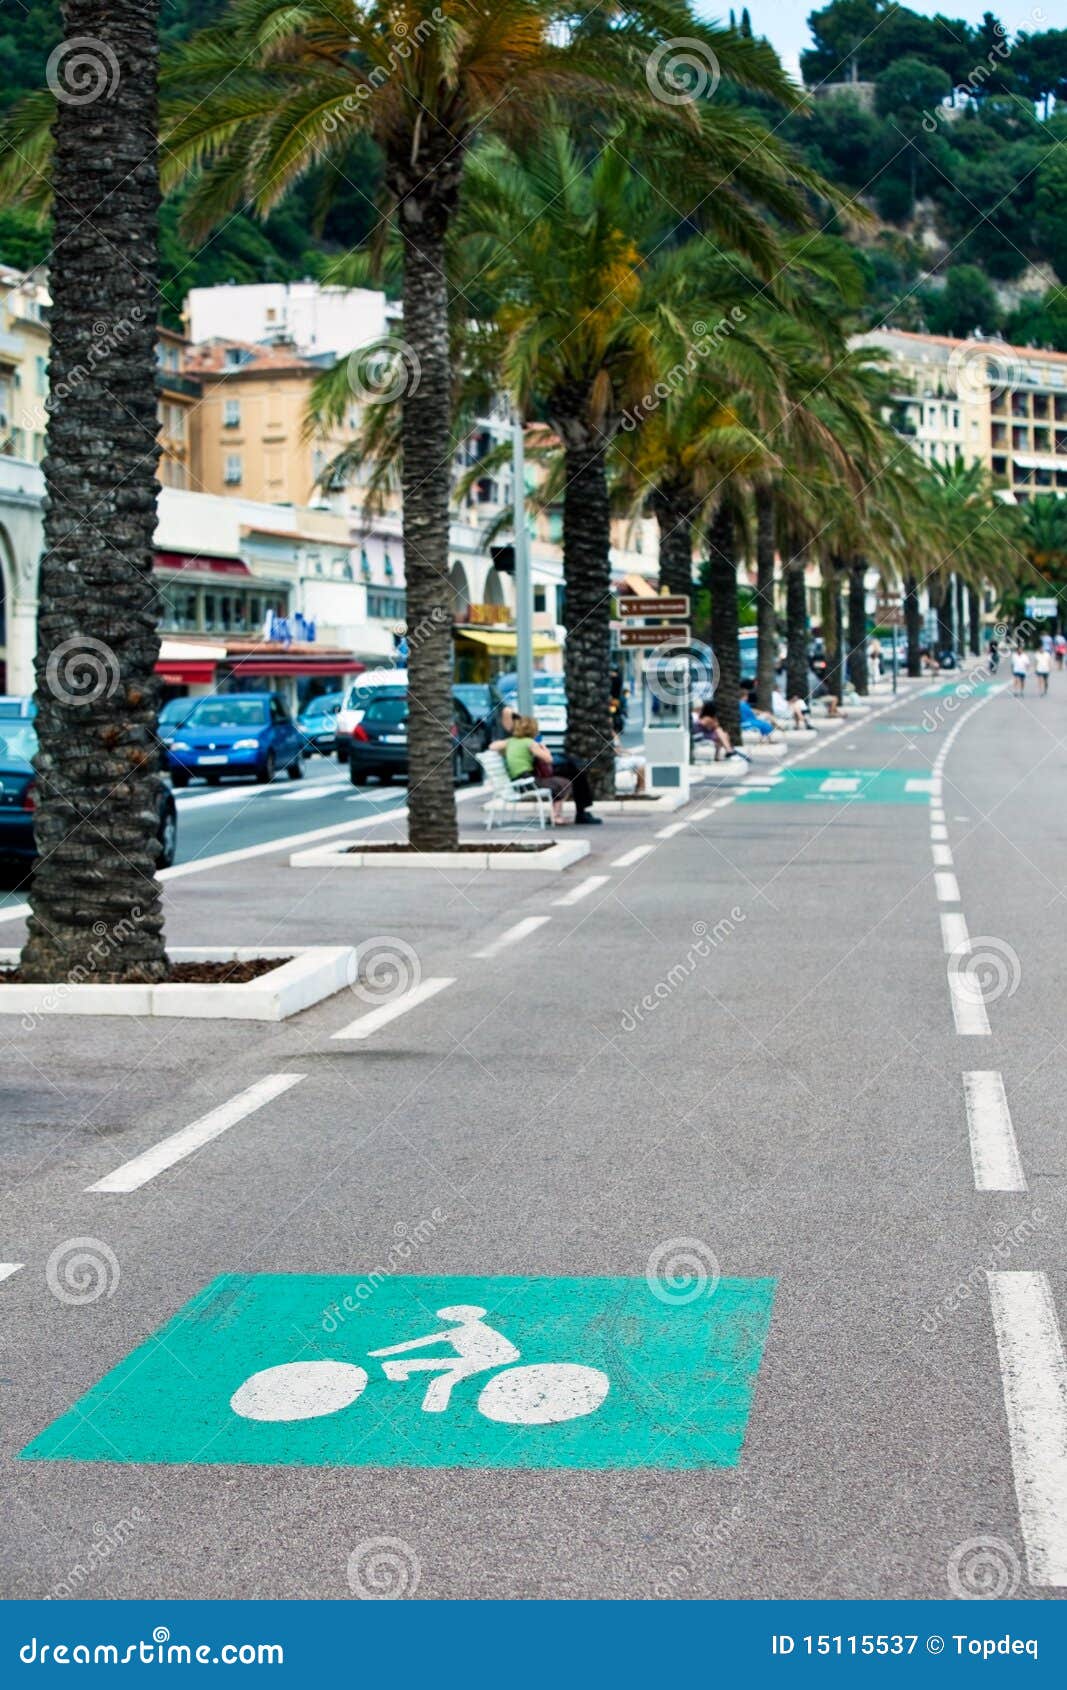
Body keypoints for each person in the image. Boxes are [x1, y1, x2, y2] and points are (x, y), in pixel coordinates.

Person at [491, 715, 600, 825]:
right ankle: (559, 815)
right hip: (527, 780)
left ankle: (569, 813)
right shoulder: (530, 743)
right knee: (570, 775)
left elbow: (492, 746)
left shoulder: (511, 741)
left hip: (521, 778)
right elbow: (548, 759)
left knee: (572, 769)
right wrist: (543, 748)